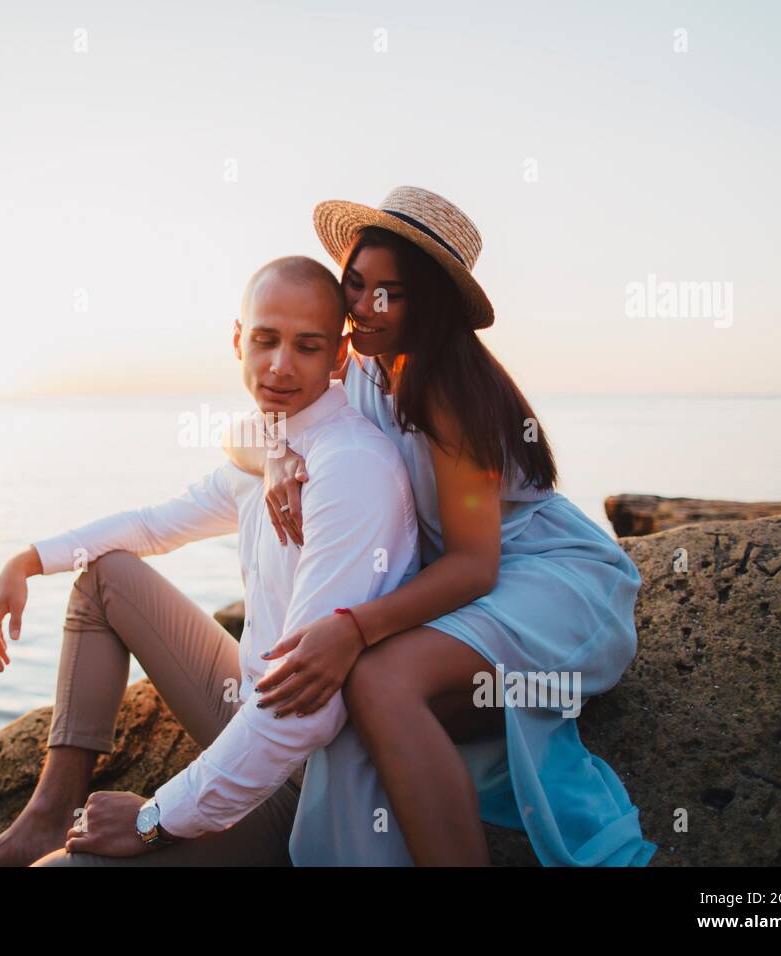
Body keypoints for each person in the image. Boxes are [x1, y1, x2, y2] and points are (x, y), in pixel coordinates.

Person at [223, 187, 657, 866]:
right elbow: (244, 427)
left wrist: (356, 626)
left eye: (390, 294)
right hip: (479, 583)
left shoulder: (448, 390)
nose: (365, 307)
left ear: (428, 305)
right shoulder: (362, 362)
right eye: (356, 284)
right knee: (350, 692)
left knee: (375, 678)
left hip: (545, 580)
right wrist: (277, 454)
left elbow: (474, 565)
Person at [0, 255, 419, 866]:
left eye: (307, 347)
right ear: (237, 340)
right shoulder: (270, 448)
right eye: (265, 340)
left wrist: (153, 819)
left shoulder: (348, 468)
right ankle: (49, 814)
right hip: (252, 706)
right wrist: (27, 560)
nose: (280, 366)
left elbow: (305, 712)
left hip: (310, 778)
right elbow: (153, 525)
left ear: (338, 357)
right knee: (106, 578)